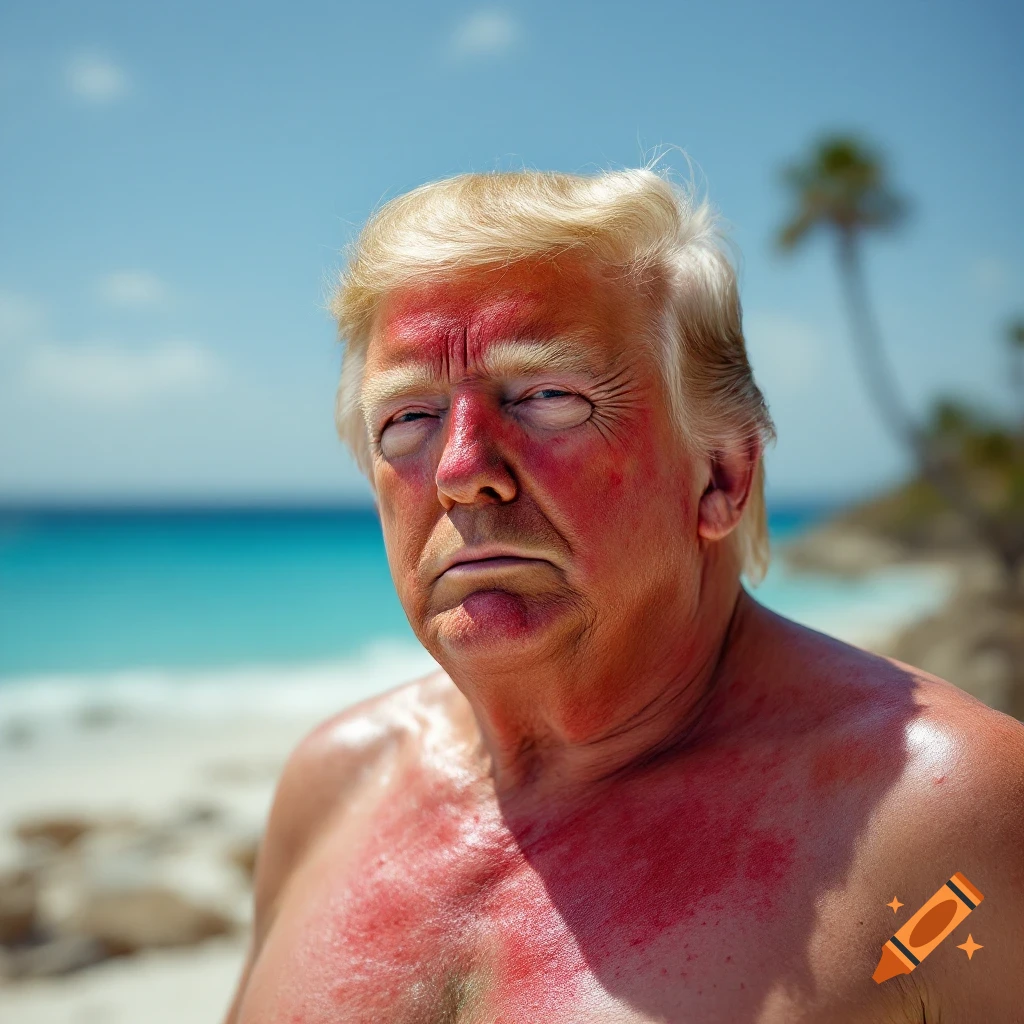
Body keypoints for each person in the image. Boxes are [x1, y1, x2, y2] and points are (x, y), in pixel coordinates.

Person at [224, 169, 1023, 1023]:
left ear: (722, 472)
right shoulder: (333, 783)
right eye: (408, 420)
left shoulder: (948, 818)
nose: (460, 471)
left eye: (545, 397)